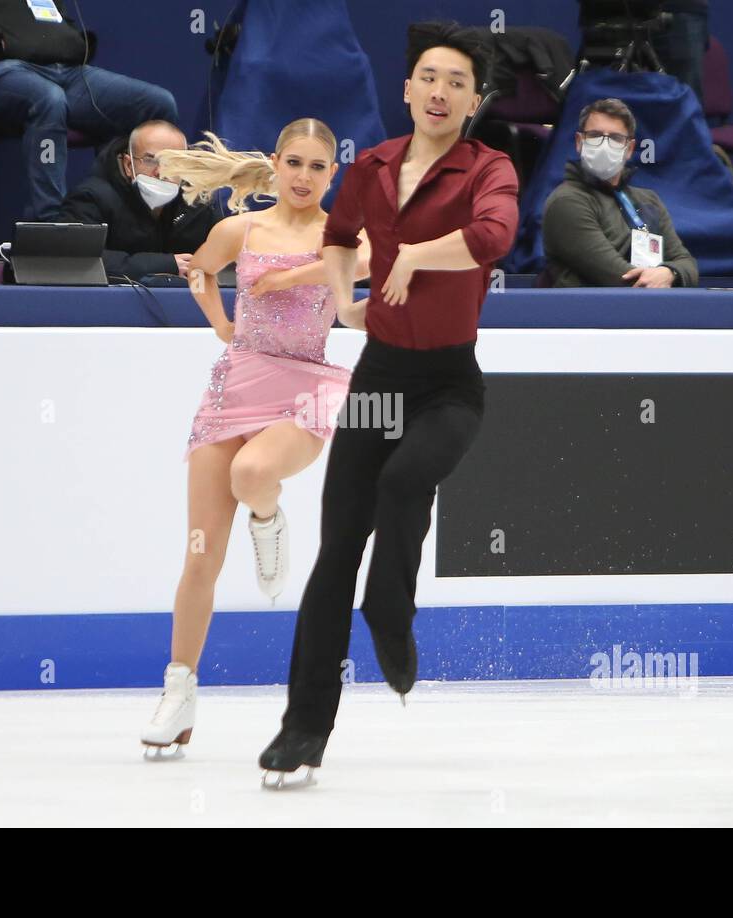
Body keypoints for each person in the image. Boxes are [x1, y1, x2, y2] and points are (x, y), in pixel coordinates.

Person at [257, 21, 519, 787]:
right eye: (429, 77)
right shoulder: (370, 166)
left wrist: (410, 256)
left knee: (406, 483)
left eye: (457, 82)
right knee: (336, 550)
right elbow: (339, 236)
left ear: (473, 101)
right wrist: (343, 299)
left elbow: (493, 237)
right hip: (379, 380)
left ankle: (391, 614)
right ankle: (303, 727)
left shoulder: (488, 167)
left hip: (447, 386)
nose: (440, 91)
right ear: (407, 89)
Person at [138, 121, 371, 759]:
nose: (302, 176)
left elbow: (354, 271)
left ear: (333, 173)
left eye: (317, 167)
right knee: (199, 557)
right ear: (274, 163)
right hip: (236, 382)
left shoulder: (344, 235)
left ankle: (267, 522)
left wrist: (284, 282)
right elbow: (202, 272)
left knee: (252, 475)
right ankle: (178, 690)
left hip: (308, 385)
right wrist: (221, 325)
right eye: (293, 162)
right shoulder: (239, 230)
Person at [0, 0, 179, 220]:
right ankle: (49, 226)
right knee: (48, 99)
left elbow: (59, 23)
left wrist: (72, 42)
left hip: (65, 72)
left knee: (157, 103)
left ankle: (129, 221)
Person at [541, 98, 699, 288]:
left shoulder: (649, 200)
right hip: (589, 313)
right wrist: (664, 276)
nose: (604, 145)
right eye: (595, 135)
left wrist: (670, 272)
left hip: (647, 311)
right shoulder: (567, 202)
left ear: (630, 148)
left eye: (615, 138)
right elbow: (622, 278)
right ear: (579, 142)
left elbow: (688, 265)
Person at [58, 121, 220, 282]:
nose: (161, 172)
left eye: (173, 162)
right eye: (151, 160)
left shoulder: (197, 204)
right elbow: (79, 259)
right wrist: (165, 265)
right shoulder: (91, 198)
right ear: (128, 165)